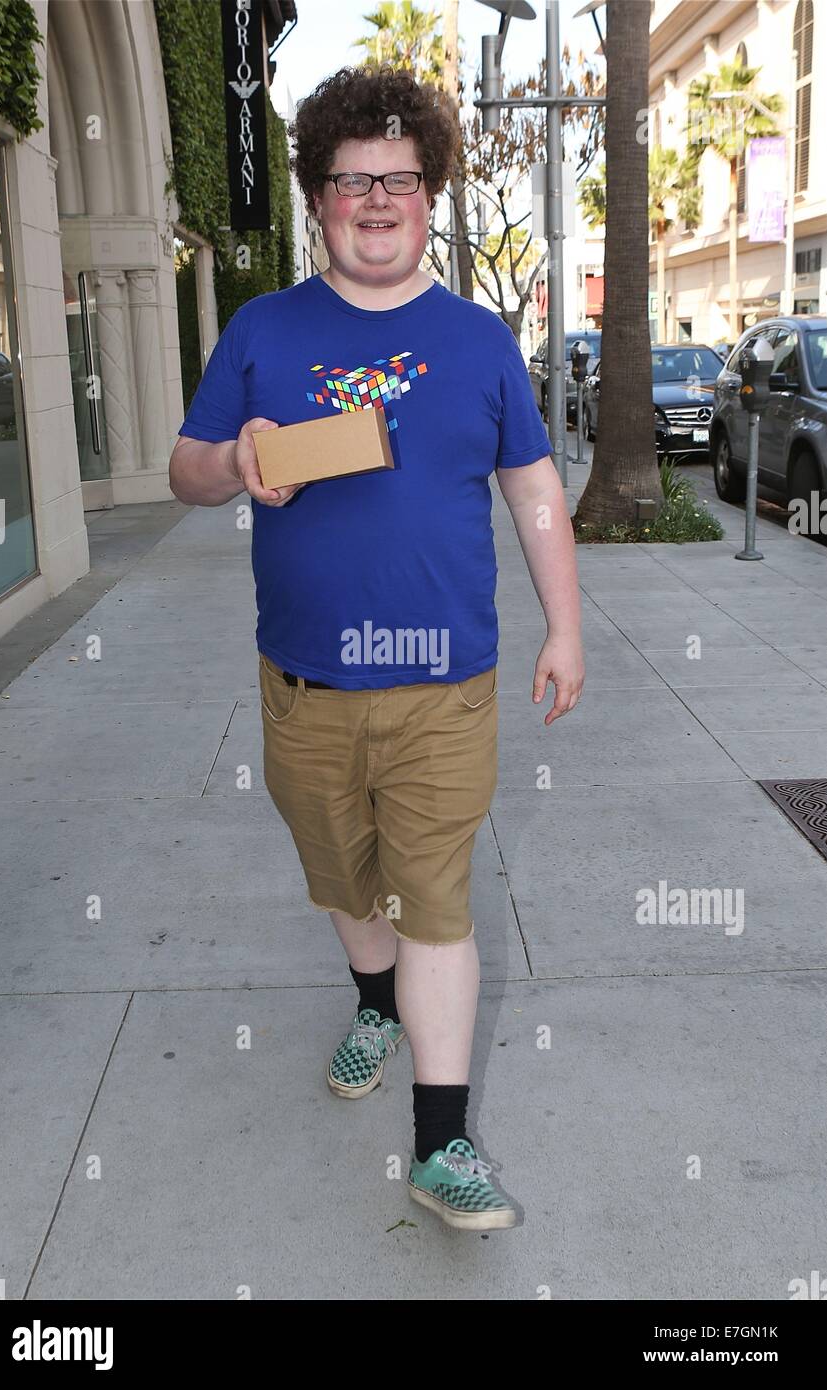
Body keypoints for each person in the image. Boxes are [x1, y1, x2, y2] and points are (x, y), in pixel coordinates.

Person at [169, 65, 584, 1232]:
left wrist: (564, 622)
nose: (376, 196)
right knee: (346, 882)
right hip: (303, 686)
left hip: (444, 687)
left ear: (429, 190)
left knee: (435, 901)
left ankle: (438, 1141)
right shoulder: (260, 331)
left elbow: (533, 488)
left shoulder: (477, 340)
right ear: (316, 197)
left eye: (397, 176)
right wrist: (236, 457)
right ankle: (370, 1000)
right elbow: (184, 475)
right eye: (351, 178)